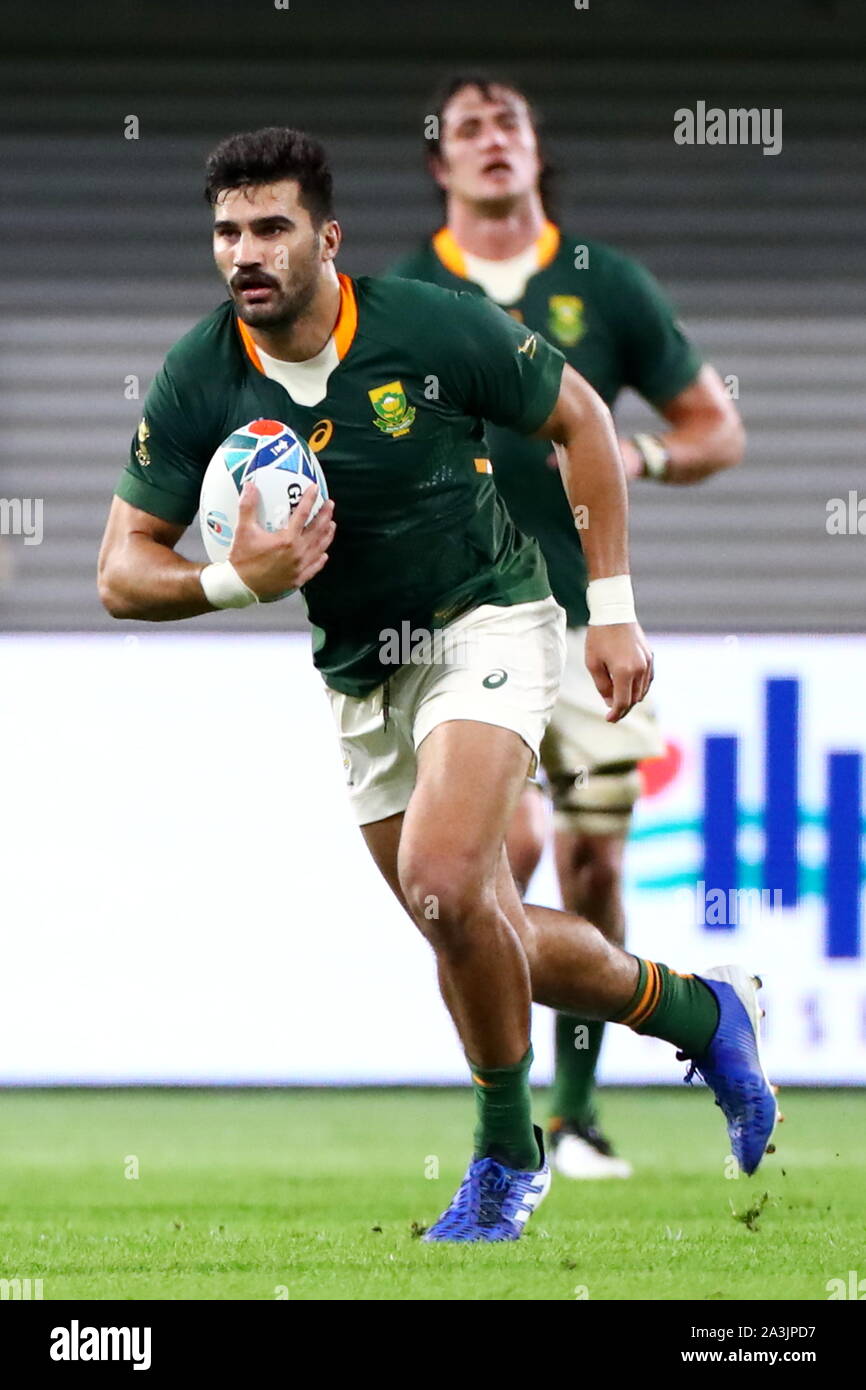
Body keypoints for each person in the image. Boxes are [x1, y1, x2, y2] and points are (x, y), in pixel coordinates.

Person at [97, 126, 774, 1243]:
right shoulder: (198, 374)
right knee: (467, 921)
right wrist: (234, 578)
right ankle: (702, 1011)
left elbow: (584, 421)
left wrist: (609, 610)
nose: (243, 254)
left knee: (447, 881)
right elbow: (123, 572)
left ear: (327, 237)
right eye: (225, 232)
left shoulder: (425, 319)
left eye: (270, 228)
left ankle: (509, 1158)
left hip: (485, 616)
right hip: (361, 668)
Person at [389, 75, 746, 1178]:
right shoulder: (402, 293)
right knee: (499, 860)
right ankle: (511, 1123)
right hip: (457, 628)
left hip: (584, 622)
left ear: (537, 153)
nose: (493, 143)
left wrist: (637, 454)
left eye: (511, 125)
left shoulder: (604, 287)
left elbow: (713, 429)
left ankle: (578, 1112)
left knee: (591, 859)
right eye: (468, 130)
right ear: (439, 164)